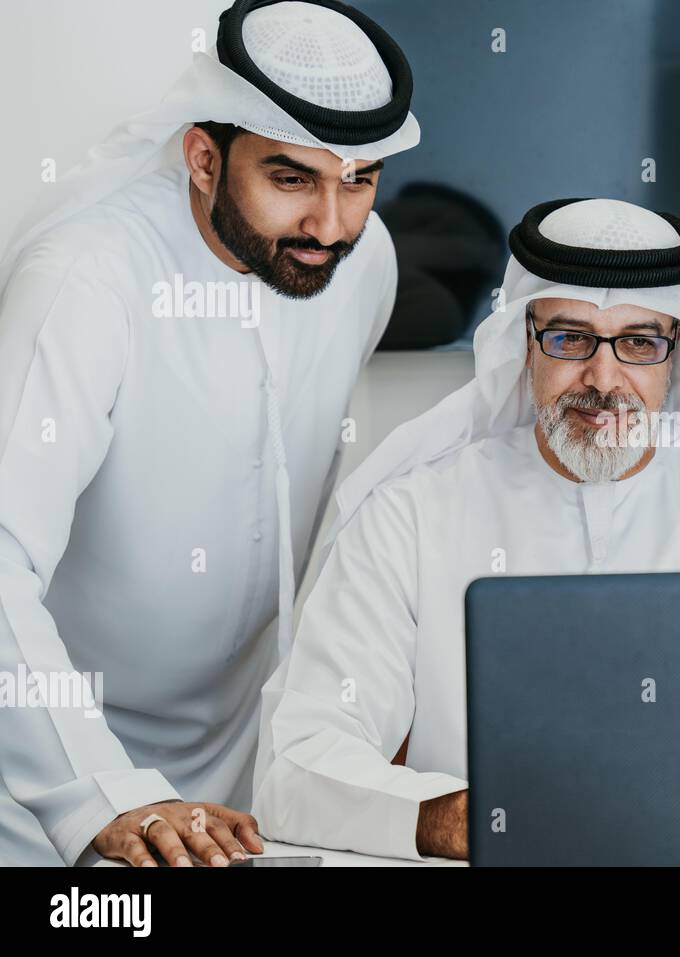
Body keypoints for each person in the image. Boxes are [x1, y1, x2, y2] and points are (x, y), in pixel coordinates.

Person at [251, 198, 680, 860]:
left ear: (677, 352)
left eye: (638, 342)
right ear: (525, 343)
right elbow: (299, 763)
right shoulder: (412, 517)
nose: (603, 381)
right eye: (570, 338)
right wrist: (463, 817)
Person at [0, 0, 419, 866]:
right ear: (202, 156)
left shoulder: (360, 259)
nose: (332, 224)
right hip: (52, 782)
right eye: (293, 178)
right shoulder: (86, 281)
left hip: (252, 775)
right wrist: (104, 794)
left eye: (361, 178)